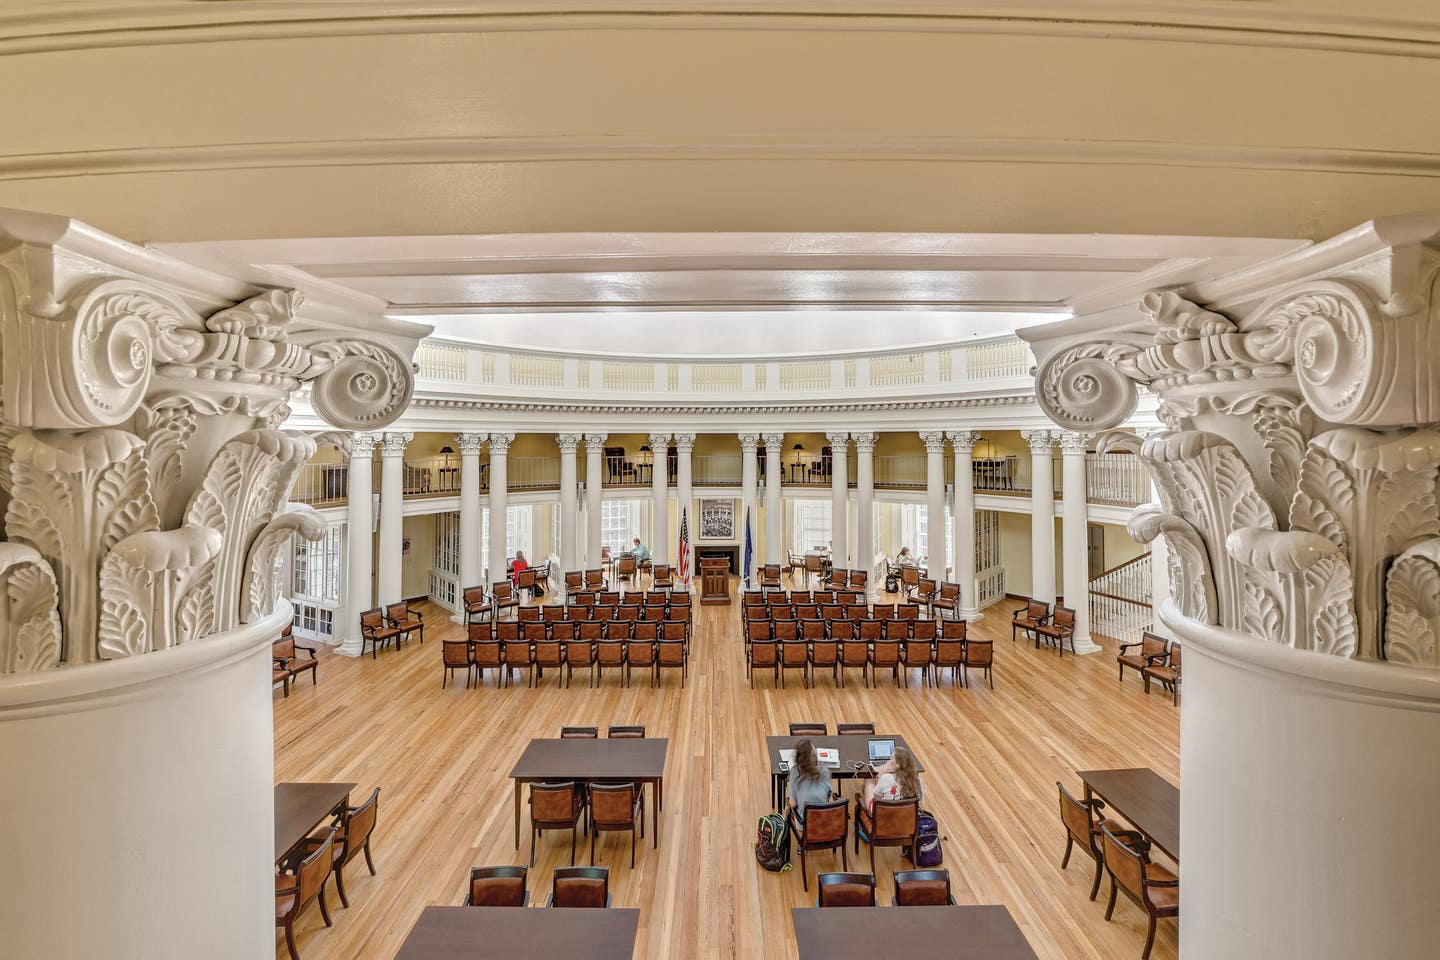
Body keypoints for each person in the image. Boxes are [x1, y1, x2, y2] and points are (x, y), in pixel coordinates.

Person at [861, 744, 923, 813]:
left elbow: (876, 798)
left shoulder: (886, 778)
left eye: (891, 759)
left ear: (898, 765)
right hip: (907, 816)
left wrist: (881, 775)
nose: (889, 761)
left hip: (884, 815)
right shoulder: (919, 781)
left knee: (869, 780)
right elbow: (920, 800)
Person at [786, 740, 833, 825]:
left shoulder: (795, 772)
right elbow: (828, 795)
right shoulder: (825, 771)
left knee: (787, 810)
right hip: (824, 823)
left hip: (805, 825)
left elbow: (793, 804)